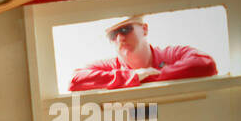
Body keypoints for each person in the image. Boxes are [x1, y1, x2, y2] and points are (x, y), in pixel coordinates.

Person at [69, 15, 217, 92]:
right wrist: (133, 77)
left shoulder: (170, 54)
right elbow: (75, 79)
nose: (120, 38)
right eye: (113, 35)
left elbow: (205, 63)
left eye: (125, 29)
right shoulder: (110, 66)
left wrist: (153, 75)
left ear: (144, 29)